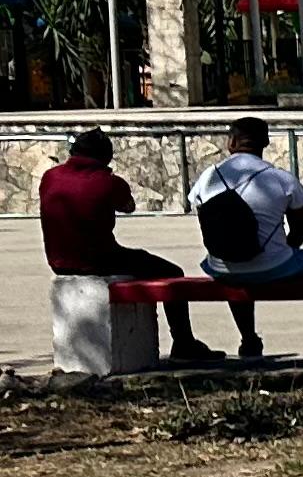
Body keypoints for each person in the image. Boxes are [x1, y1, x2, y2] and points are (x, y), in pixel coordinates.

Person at [186, 115, 303, 363]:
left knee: (236, 271)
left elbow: (207, 226)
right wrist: (276, 253)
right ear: (265, 142)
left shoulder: (207, 178)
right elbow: (299, 232)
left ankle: (249, 340)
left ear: (231, 142)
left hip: (222, 266)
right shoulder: (282, 179)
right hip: (274, 265)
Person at [38, 127, 227, 364]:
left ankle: (184, 343)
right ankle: (184, 342)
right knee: (172, 273)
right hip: (100, 260)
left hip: (59, 262)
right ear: (105, 157)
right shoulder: (108, 182)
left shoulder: (50, 177)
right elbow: (128, 206)